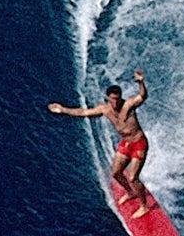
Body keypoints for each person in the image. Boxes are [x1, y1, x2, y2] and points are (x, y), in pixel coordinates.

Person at [50, 70, 151, 203]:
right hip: (126, 143)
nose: (115, 102)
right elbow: (83, 112)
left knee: (133, 177)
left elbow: (142, 96)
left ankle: (144, 205)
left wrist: (141, 82)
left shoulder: (128, 105)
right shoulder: (105, 109)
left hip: (139, 143)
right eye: (112, 99)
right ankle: (131, 192)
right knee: (116, 173)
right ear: (108, 98)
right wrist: (63, 110)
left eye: (117, 99)